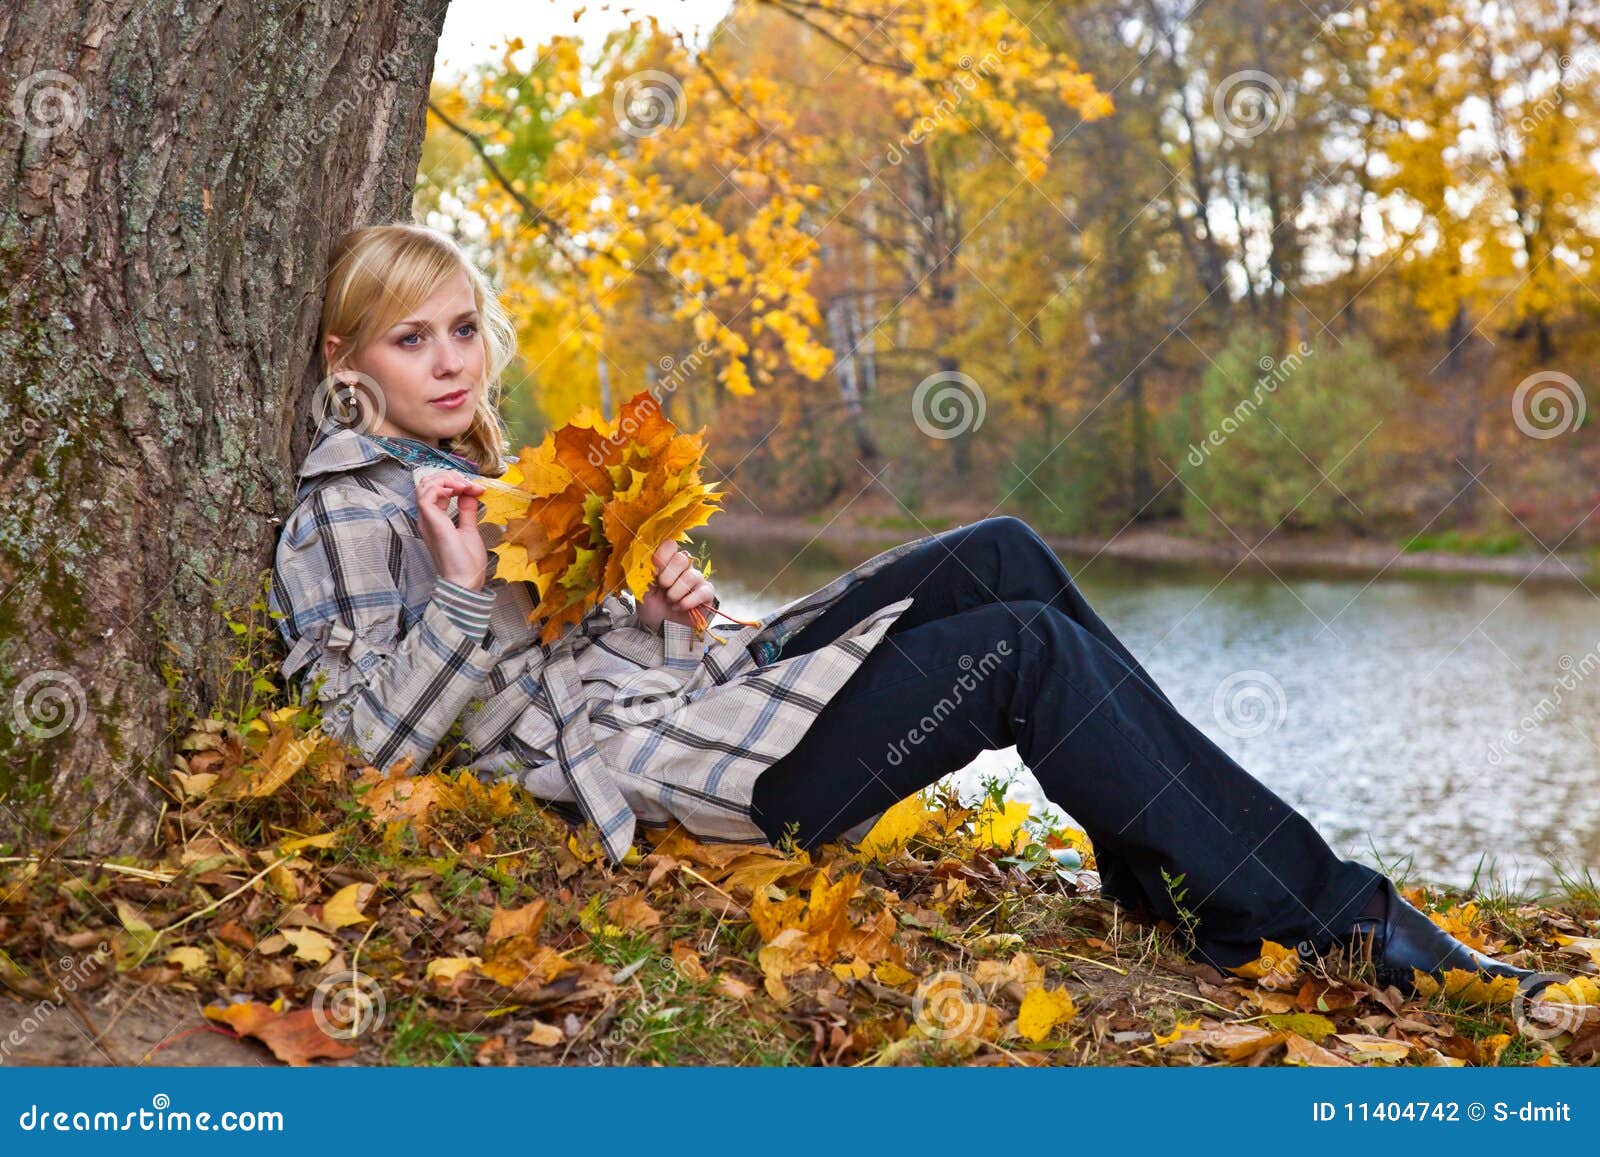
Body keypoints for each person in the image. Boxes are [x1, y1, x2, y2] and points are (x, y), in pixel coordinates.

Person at [269, 223, 1542, 998]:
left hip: (702, 687)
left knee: (1000, 548)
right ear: (345, 363)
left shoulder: (507, 477)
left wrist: (665, 607)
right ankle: (1338, 921)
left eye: (462, 329)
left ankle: (1187, 887)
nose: (449, 361)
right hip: (695, 778)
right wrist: (451, 597)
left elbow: (588, 644)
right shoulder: (344, 515)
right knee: (1020, 651)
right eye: (407, 340)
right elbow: (358, 746)